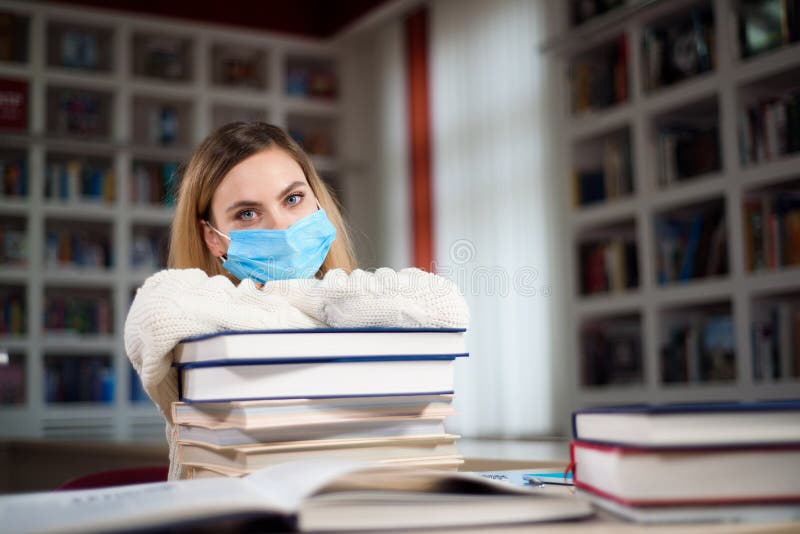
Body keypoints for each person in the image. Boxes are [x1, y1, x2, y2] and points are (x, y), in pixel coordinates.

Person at [124, 122, 469, 480]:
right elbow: (157, 313)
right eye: (247, 214)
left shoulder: (332, 297)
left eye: (292, 199)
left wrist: (297, 294)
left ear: (317, 202)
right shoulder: (182, 298)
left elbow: (444, 304)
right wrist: (307, 304)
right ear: (212, 238)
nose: (282, 228)